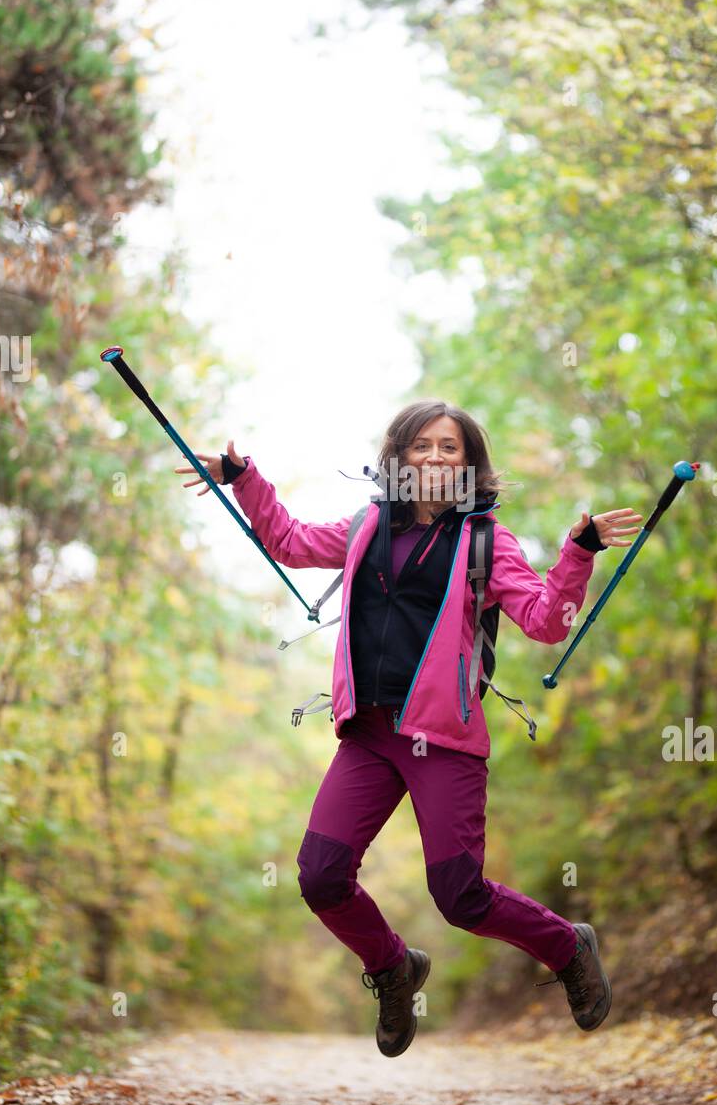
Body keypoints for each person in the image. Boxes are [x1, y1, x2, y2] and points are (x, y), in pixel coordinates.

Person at [174, 400, 642, 1057]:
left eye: (450, 448)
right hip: (369, 733)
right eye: (422, 445)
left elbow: (547, 621)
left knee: (461, 897)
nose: (435, 457)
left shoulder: (486, 541)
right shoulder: (368, 527)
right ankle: (393, 968)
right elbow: (289, 541)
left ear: (469, 463)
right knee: (320, 877)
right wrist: (242, 476)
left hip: (444, 739)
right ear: (399, 456)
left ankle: (568, 946)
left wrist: (579, 551)